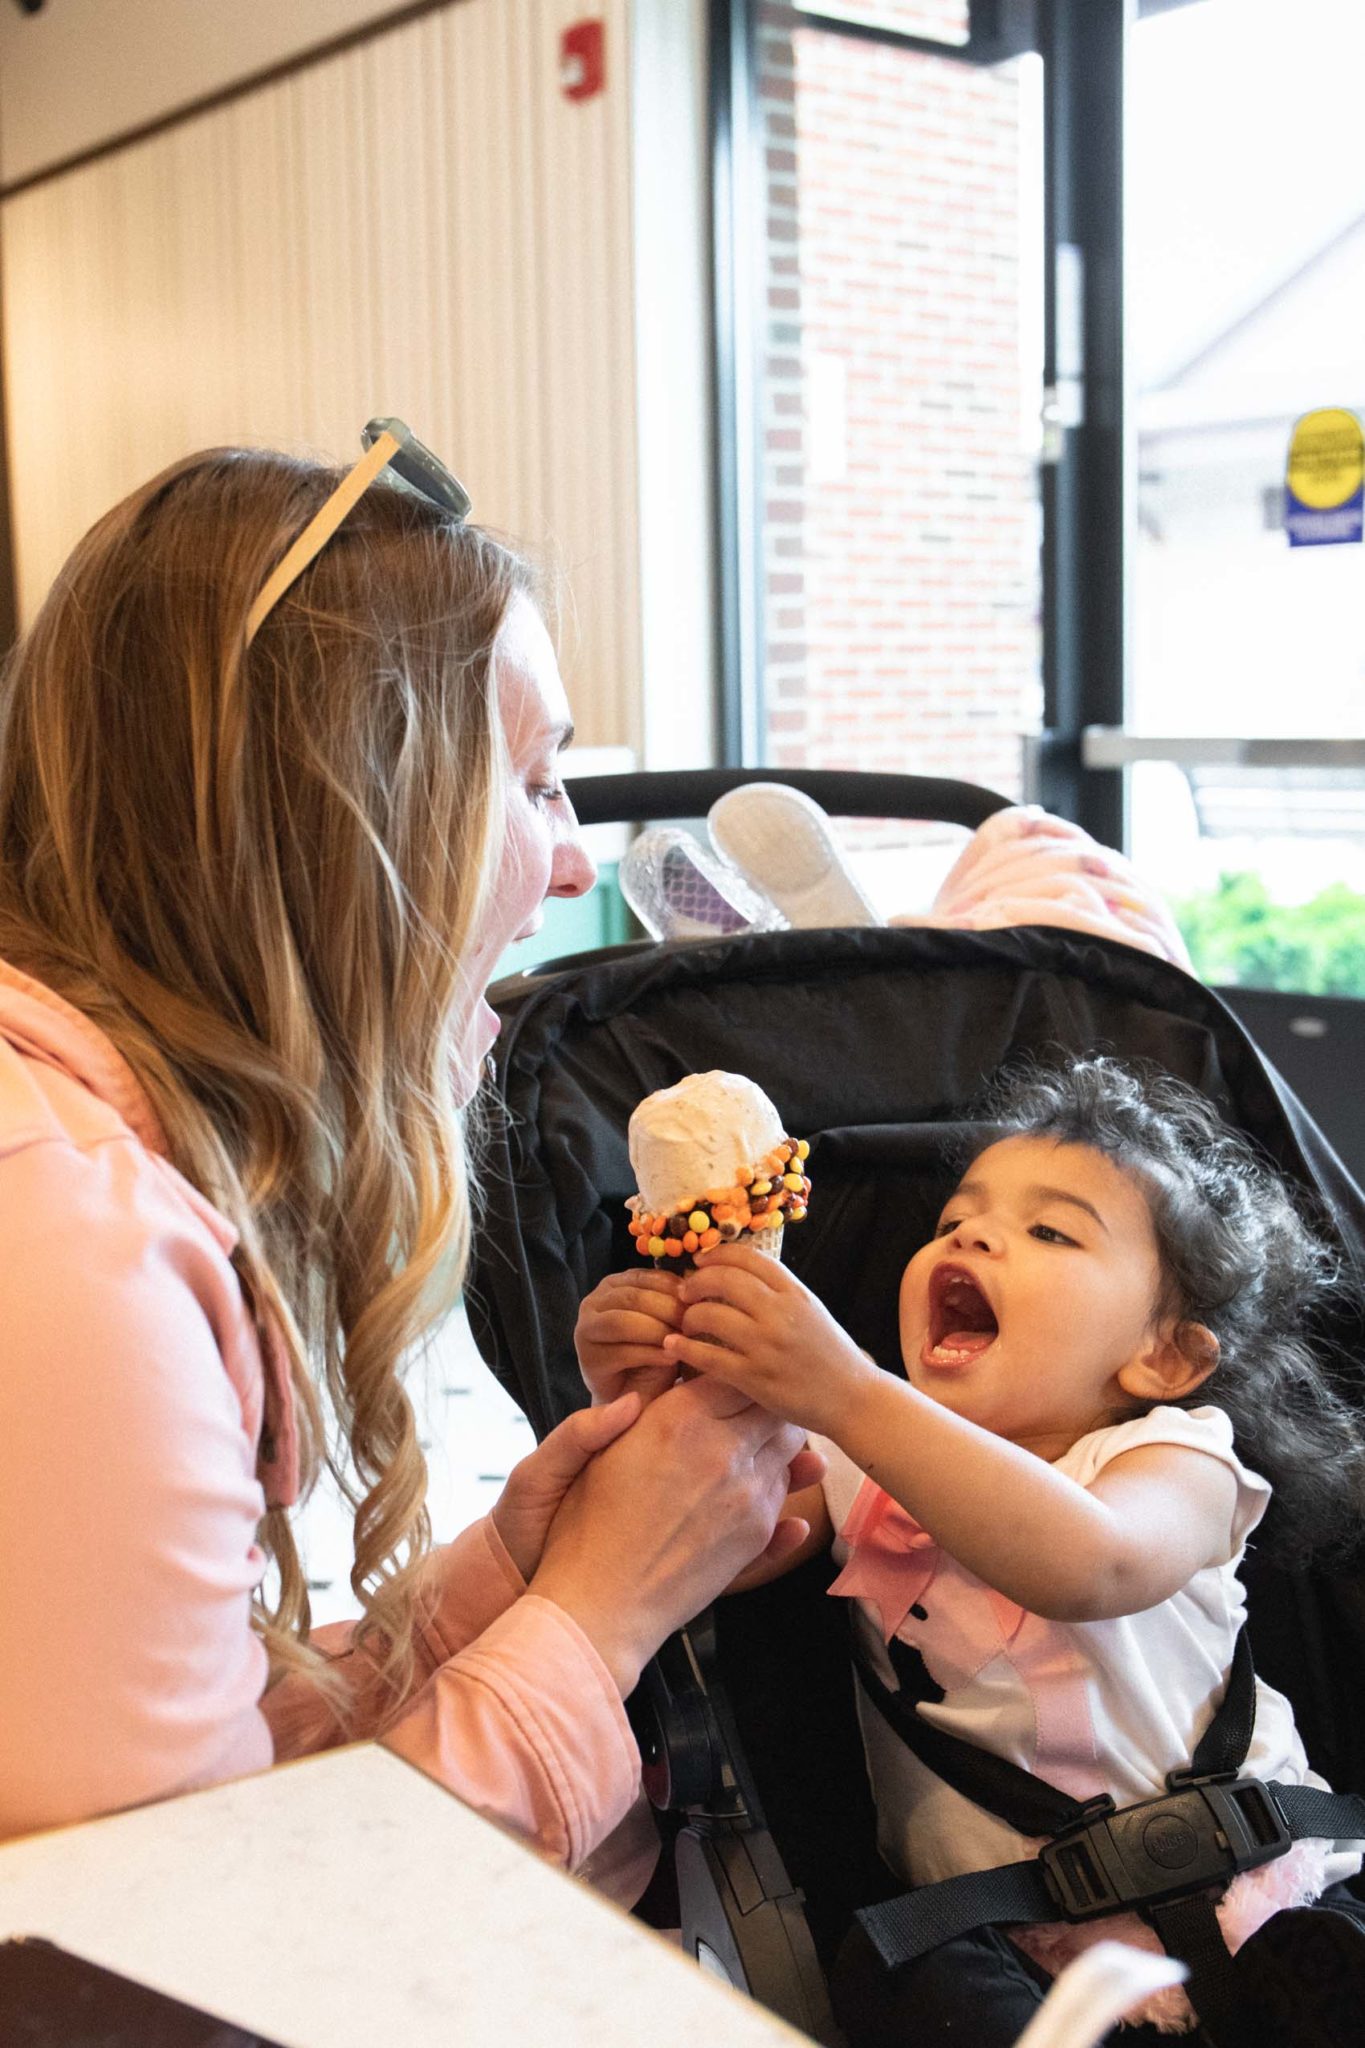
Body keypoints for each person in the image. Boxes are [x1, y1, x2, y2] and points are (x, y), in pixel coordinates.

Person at [0, 422, 820, 1895]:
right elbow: (179, 1954)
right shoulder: (70, 1261)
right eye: (537, 780)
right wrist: (601, 1613)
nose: (574, 863)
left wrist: (500, 1580)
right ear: (357, 817)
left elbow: (172, 1751)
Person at [576, 1055, 1365, 2039]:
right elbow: (695, 1550)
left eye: (1050, 1230)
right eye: (953, 1221)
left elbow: (1091, 1562)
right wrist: (643, 1393)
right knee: (895, 1987)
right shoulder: (853, 1459)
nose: (975, 1232)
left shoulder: (1174, 1455)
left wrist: (852, 1392)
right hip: (1006, 1940)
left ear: (1162, 1354)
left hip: (1268, 1889)